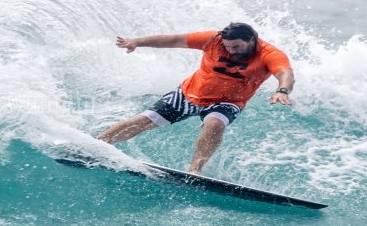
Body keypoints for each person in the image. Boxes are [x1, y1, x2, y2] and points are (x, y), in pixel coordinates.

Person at [97, 22, 295, 174]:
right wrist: (137, 42)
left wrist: (282, 91)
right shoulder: (212, 40)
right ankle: (97, 145)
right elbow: (173, 40)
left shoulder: (269, 54)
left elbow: (285, 73)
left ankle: (195, 170)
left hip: (228, 102)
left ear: (252, 40)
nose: (230, 51)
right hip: (189, 93)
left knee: (215, 124)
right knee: (142, 121)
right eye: (227, 46)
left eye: (236, 47)